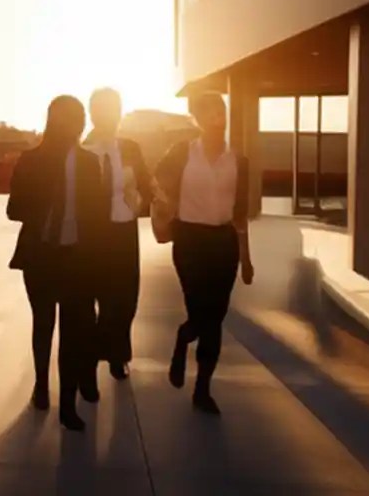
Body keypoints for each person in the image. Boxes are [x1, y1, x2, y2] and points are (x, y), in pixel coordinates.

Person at [7, 95, 106, 431]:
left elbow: (98, 215)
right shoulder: (32, 160)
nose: (72, 124)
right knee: (44, 322)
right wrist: (45, 198)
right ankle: (40, 384)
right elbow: (14, 209)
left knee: (73, 331)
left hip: (77, 256)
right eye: (65, 118)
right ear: (52, 120)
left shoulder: (89, 163)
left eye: (77, 117)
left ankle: (67, 403)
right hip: (41, 254)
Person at [153, 92, 254, 415]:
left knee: (215, 318)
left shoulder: (238, 161)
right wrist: (168, 204)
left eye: (220, 112)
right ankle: (183, 338)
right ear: (197, 119)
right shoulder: (182, 153)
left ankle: (203, 389)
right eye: (209, 113)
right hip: (190, 241)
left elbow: (240, 215)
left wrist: (246, 258)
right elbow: (156, 181)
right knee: (200, 313)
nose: (217, 119)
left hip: (224, 243)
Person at [83, 88, 153, 380]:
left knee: (125, 296)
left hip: (123, 229)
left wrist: (139, 202)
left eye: (114, 109)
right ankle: (94, 352)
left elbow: (146, 185)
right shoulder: (82, 150)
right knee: (96, 293)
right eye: (103, 109)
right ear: (92, 113)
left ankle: (117, 352)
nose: (110, 116)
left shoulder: (130, 148)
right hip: (91, 233)